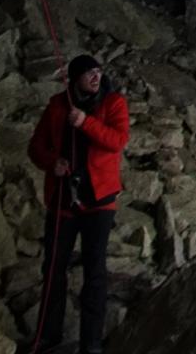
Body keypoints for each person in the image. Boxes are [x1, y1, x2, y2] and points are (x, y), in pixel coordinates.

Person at [26, 53, 130, 354]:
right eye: (89, 73)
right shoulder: (57, 105)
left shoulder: (113, 103)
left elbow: (118, 140)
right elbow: (36, 147)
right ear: (75, 78)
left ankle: (91, 344)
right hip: (63, 200)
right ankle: (48, 336)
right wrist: (52, 163)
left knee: (94, 271)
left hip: (99, 201)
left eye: (98, 71)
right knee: (53, 268)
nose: (96, 77)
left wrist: (86, 123)